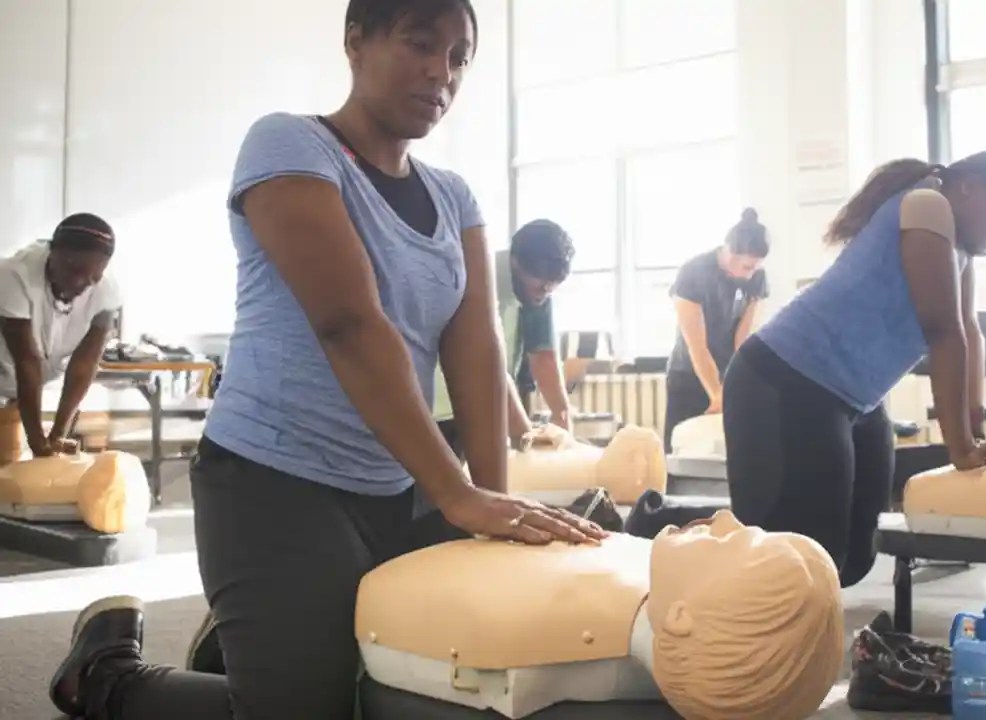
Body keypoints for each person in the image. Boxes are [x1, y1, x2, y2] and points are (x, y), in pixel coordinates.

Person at [48, 2, 605, 719]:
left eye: (460, 57)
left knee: (429, 675)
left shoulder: (454, 196)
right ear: (355, 42)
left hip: (393, 488)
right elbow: (347, 322)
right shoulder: (289, 145)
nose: (443, 72)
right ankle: (104, 674)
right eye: (420, 44)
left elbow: (474, 346)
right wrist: (458, 493)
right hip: (271, 483)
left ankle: (247, 640)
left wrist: (489, 502)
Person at [721, 152, 986, 588]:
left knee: (854, 558)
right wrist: (961, 449)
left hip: (852, 398)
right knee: (798, 559)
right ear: (969, 186)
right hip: (784, 379)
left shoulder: (958, 245)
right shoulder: (927, 204)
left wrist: (976, 431)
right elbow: (943, 331)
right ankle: (673, 538)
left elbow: (968, 330)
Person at [432, 218, 576, 459]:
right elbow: (487, 363)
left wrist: (562, 417)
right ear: (514, 262)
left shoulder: (539, 293)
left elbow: (543, 357)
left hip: (480, 407)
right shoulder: (476, 275)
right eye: (539, 284)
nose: (544, 292)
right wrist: (524, 434)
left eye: (551, 287)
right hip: (436, 406)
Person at [0, 213, 121, 463]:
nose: (81, 283)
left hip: (24, 387)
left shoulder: (106, 292)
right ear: (52, 252)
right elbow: (27, 361)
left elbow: (84, 364)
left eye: (92, 277)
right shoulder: (14, 275)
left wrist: (57, 434)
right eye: (73, 269)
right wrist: (37, 442)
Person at [664, 208, 769, 451]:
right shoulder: (694, 273)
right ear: (729, 252)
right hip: (689, 375)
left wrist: (742, 383)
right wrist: (716, 394)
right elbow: (696, 346)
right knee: (684, 450)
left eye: (756, 267)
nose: (751, 273)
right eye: (746, 266)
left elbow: (743, 341)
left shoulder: (757, 278)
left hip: (728, 373)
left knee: (729, 452)